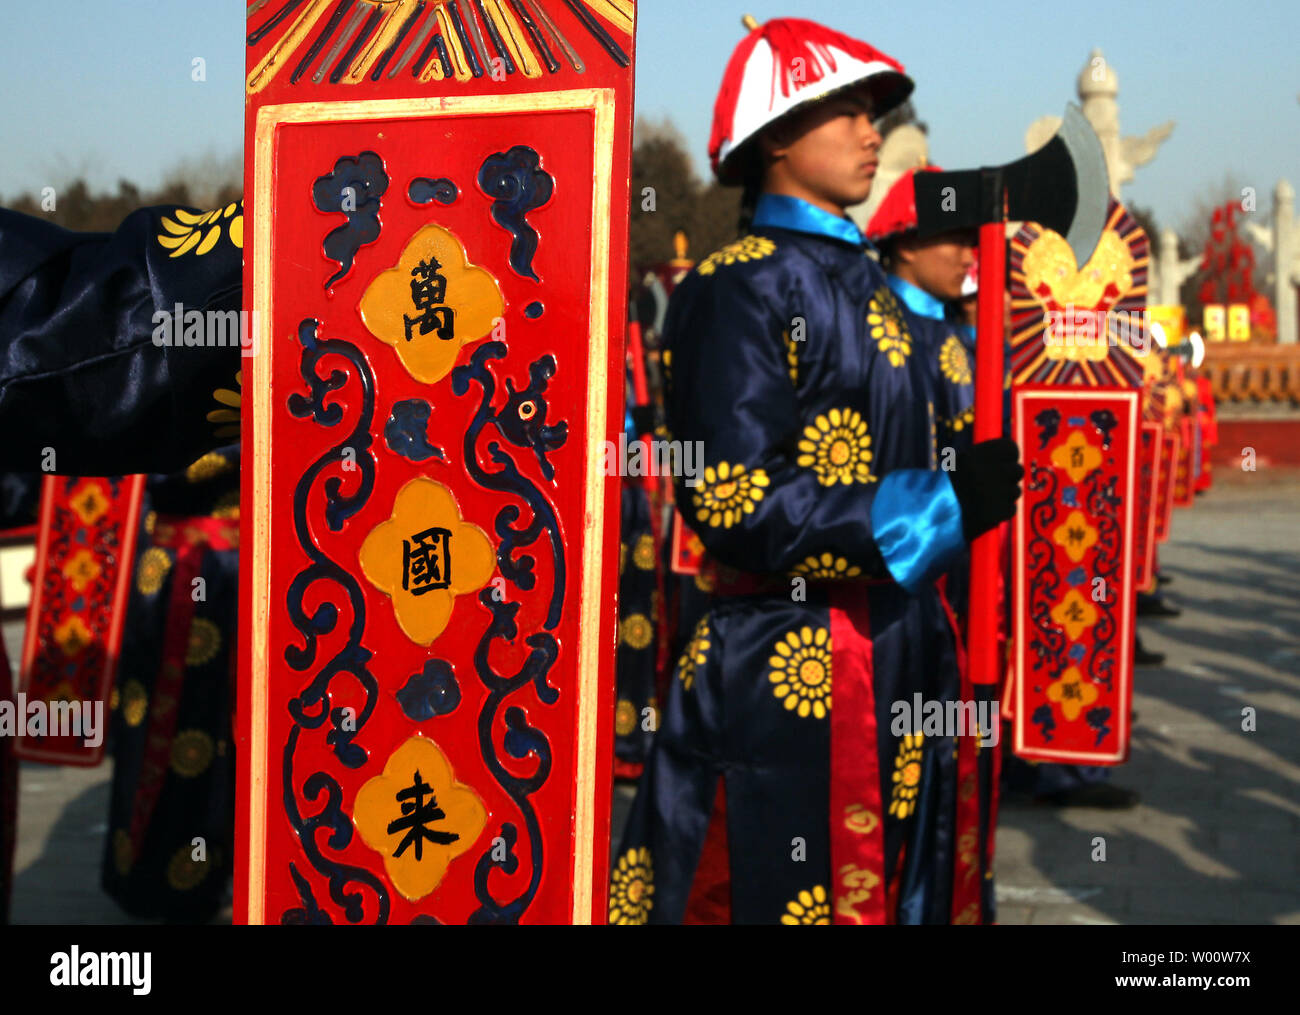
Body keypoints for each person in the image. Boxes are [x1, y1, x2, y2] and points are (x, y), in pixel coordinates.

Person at [610, 17, 1022, 926]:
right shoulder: (737, 285)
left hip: (900, 645)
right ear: (776, 137)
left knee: (905, 876)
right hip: (790, 661)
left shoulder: (875, 287)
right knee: (772, 888)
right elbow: (736, 497)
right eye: (845, 110)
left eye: (875, 111)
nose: (872, 130)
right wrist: (941, 505)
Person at [0, 200, 245, 922]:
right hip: (179, 571)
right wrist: (303, 237)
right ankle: (158, 882)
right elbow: (60, 328)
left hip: (213, 567)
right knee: (167, 738)